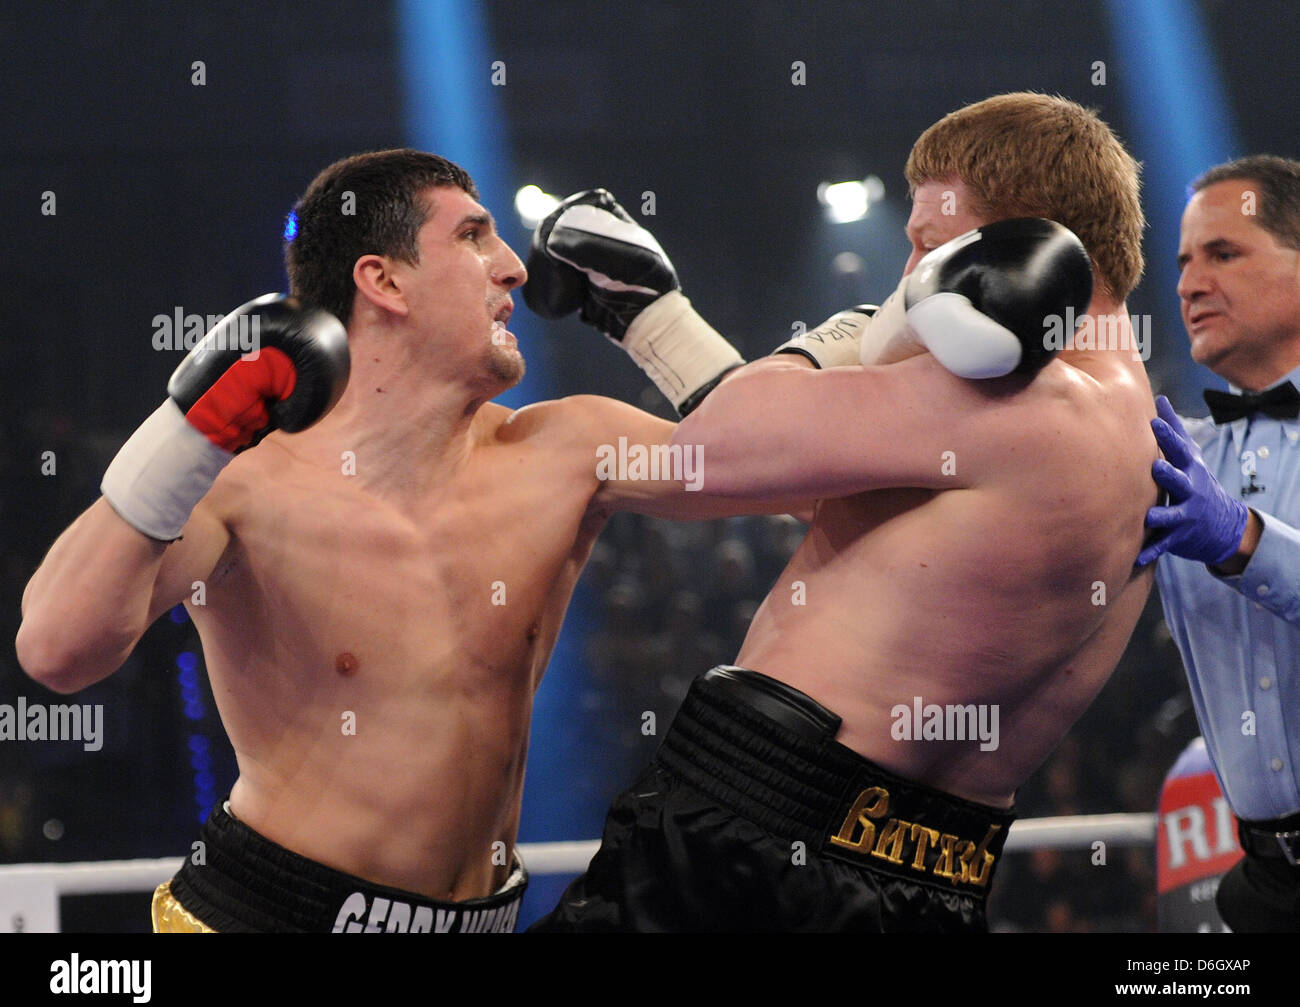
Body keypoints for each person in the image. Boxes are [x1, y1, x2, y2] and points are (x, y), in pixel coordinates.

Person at [14, 148, 793, 933]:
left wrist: (661, 321)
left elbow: (797, 475)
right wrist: (186, 434)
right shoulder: (242, 483)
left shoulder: (566, 448)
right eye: (474, 237)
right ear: (382, 281)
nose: (514, 269)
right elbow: (57, 649)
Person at [526, 92, 1158, 932]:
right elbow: (809, 479)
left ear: (1017, 248)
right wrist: (654, 321)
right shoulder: (1146, 434)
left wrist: (865, 328)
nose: (911, 278)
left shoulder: (1022, 397)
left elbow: (706, 453)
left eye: (928, 249)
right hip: (935, 875)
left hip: (757, 828)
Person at [1137, 155, 1300, 932]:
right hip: (1263, 884)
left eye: (1223, 253)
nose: (1188, 283)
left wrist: (1240, 537)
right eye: (1182, 262)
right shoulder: (1179, 455)